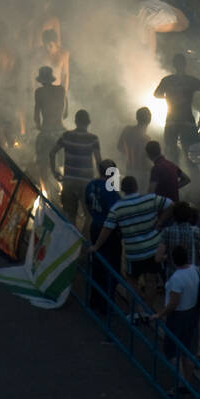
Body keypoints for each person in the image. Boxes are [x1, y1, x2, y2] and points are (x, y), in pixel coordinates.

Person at [88, 176, 172, 310]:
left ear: (122, 190)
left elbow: (107, 228)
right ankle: (148, 311)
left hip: (134, 253)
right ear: (137, 186)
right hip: (153, 250)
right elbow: (171, 205)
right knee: (151, 281)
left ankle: (134, 312)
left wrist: (96, 246)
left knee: (132, 282)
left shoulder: (117, 207)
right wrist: (160, 222)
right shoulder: (150, 198)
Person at [149, 245, 200, 397]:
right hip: (193, 312)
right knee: (189, 349)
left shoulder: (176, 278)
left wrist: (160, 314)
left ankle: (181, 382)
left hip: (178, 316)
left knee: (171, 350)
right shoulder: (195, 270)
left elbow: (173, 303)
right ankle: (187, 381)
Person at [153, 54, 200, 162]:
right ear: (185, 65)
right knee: (189, 154)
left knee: (171, 153)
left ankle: (173, 175)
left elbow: (156, 94)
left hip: (171, 120)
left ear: (174, 65)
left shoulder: (167, 80)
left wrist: (169, 96)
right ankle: (190, 175)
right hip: (187, 121)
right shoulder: (191, 80)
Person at [49, 110, 102, 226]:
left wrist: (54, 172)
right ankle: (84, 243)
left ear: (75, 121)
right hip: (86, 183)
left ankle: (73, 242)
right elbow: (99, 162)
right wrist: (101, 179)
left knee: (70, 217)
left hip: (69, 182)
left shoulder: (66, 136)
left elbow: (52, 153)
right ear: (88, 122)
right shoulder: (93, 139)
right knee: (90, 216)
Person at [84, 159, 123, 313]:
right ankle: (107, 304)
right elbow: (116, 213)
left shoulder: (90, 185)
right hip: (109, 230)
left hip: (95, 226)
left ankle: (94, 300)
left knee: (98, 264)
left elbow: (87, 204)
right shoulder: (110, 190)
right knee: (112, 267)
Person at [154, 201, 200, 277]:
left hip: (173, 276)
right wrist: (197, 255)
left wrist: (168, 257)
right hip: (194, 277)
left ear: (173, 217)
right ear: (190, 217)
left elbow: (158, 258)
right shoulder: (198, 232)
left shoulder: (166, 232)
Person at [33, 66, 67, 193]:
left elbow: (36, 117)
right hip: (60, 131)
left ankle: (45, 194)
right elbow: (66, 114)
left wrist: (39, 126)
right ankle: (63, 190)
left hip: (46, 132)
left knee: (42, 165)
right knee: (62, 164)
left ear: (41, 80)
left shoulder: (39, 92)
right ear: (52, 79)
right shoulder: (61, 90)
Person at [117, 107, 153, 191]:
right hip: (143, 172)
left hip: (130, 169)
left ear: (137, 118)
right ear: (149, 120)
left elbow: (119, 146)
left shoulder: (127, 130)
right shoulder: (146, 138)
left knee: (130, 195)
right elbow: (145, 157)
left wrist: (128, 156)